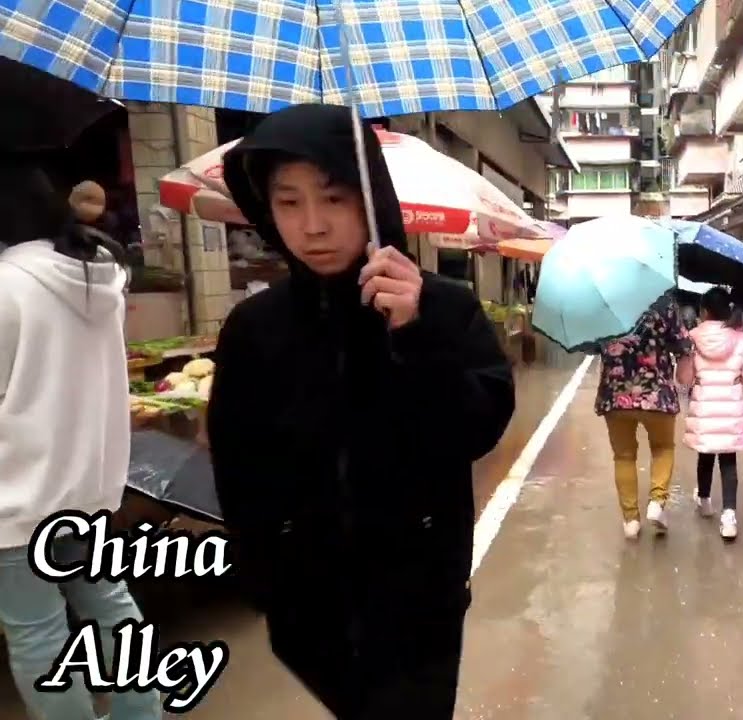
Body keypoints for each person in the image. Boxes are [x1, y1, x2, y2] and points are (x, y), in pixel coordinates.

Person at [207, 104, 515, 719]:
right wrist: (266, 580)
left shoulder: (444, 307)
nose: (313, 225)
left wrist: (415, 335)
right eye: (288, 203)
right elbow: (238, 466)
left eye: (334, 198)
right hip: (306, 608)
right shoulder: (253, 327)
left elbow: (478, 427)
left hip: (418, 603)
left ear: (370, 196)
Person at [0, 162, 162, 720]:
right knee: (111, 609)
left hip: (15, 497)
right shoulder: (97, 275)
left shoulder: (5, 286)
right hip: (86, 486)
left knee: (38, 636)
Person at [596, 292, 691, 539]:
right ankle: (656, 503)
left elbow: (595, 344)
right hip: (656, 393)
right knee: (662, 448)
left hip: (616, 393)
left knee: (623, 456)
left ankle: (630, 521)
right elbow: (682, 346)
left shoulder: (605, 300)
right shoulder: (663, 301)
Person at [677, 288, 743, 539]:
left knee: (705, 454)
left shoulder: (692, 338)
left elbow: (684, 377)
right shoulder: (739, 338)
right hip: (730, 404)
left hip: (704, 404)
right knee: (728, 461)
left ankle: (704, 501)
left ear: (703, 311)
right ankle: (729, 517)